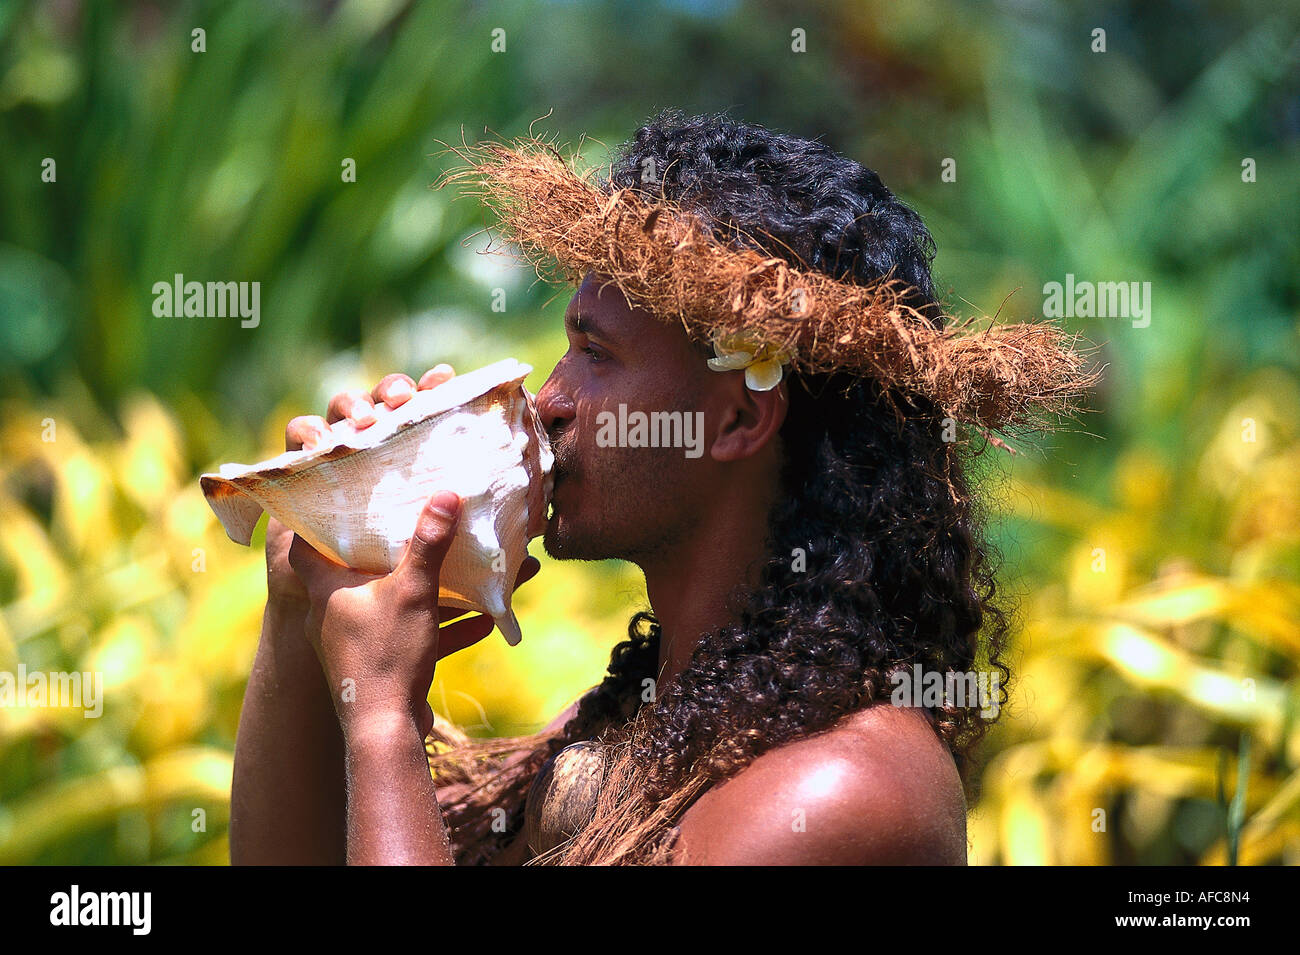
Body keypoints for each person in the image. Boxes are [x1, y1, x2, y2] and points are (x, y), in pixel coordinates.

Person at [229, 108, 1094, 865]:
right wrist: (301, 594)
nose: (549, 400)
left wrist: (383, 725)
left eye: (596, 355)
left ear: (735, 420)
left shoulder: (842, 795)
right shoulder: (637, 727)